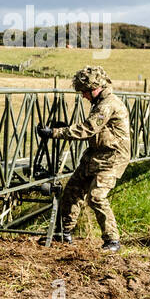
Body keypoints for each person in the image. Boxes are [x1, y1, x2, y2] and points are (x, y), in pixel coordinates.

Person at [38, 65, 131, 252]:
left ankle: (112, 241)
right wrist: (65, 129)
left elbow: (87, 129)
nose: (83, 96)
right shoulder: (99, 102)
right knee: (73, 190)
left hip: (112, 158)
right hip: (95, 155)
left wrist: (55, 133)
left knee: (97, 197)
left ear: (95, 88)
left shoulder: (107, 104)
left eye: (84, 92)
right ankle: (64, 233)